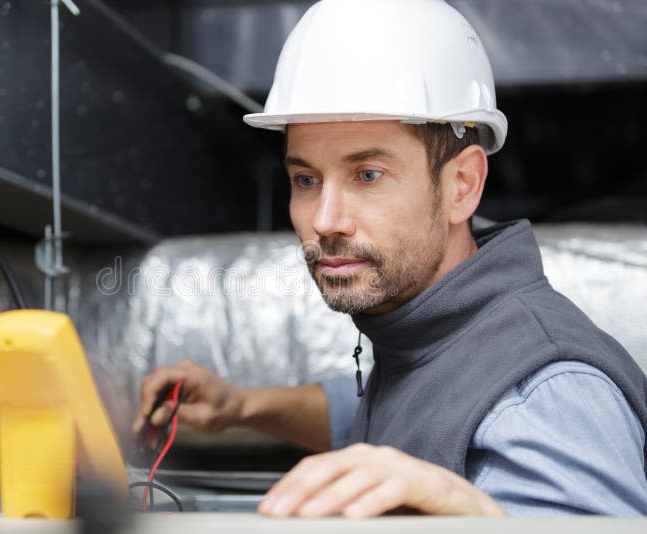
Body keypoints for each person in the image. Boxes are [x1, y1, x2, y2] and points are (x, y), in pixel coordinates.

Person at [132, 0, 647, 518]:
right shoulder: (434, 336)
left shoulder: (540, 395)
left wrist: (475, 518)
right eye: (306, 180)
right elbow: (376, 404)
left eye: (368, 175)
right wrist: (243, 406)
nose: (326, 219)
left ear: (461, 186)